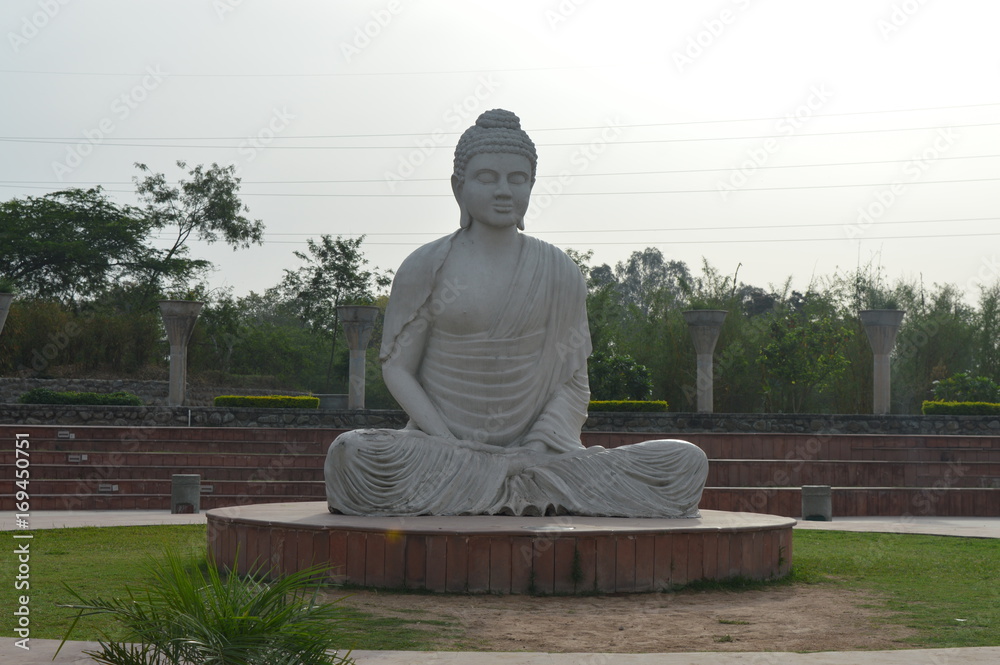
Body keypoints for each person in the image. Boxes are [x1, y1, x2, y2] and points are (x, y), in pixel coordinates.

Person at [325, 109, 707, 517]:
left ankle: (507, 482)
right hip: (444, 451)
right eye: (487, 178)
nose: (503, 190)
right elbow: (398, 368)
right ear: (459, 187)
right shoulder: (427, 266)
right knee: (352, 453)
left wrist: (535, 448)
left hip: (542, 456)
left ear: (531, 185)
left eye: (517, 178)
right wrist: (450, 442)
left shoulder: (559, 272)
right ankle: (521, 487)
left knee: (684, 461)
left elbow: (572, 384)